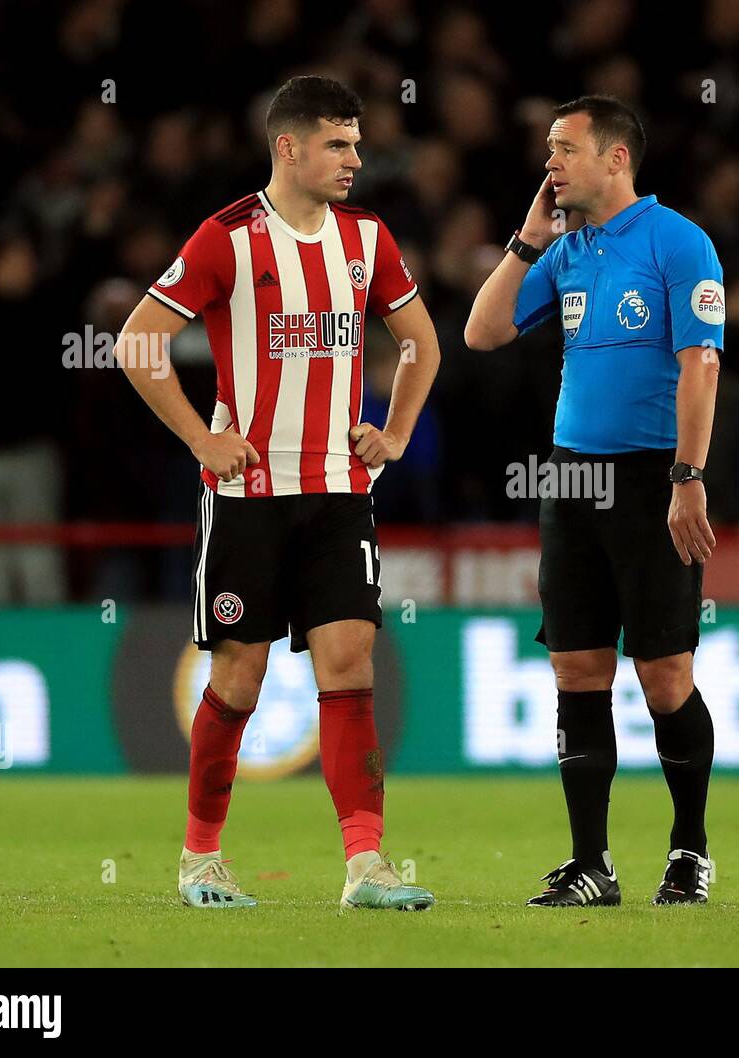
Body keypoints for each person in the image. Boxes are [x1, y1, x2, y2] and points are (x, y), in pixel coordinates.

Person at [114, 76, 440, 911]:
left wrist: (393, 433)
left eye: (357, 144)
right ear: (288, 146)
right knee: (240, 677)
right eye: (339, 143)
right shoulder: (228, 238)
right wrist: (201, 438)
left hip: (339, 491)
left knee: (349, 661)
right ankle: (200, 859)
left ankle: (367, 864)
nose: (356, 160)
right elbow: (138, 341)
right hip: (249, 496)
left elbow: (421, 343)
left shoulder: (368, 238)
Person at [465, 96, 725, 907]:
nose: (551, 163)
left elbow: (702, 365)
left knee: (664, 674)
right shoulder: (567, 249)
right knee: (577, 666)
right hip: (573, 479)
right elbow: (484, 331)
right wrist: (525, 241)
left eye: (565, 149)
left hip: (654, 478)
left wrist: (688, 476)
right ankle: (591, 865)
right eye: (549, 149)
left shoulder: (679, 242)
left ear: (616, 157)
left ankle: (689, 851)